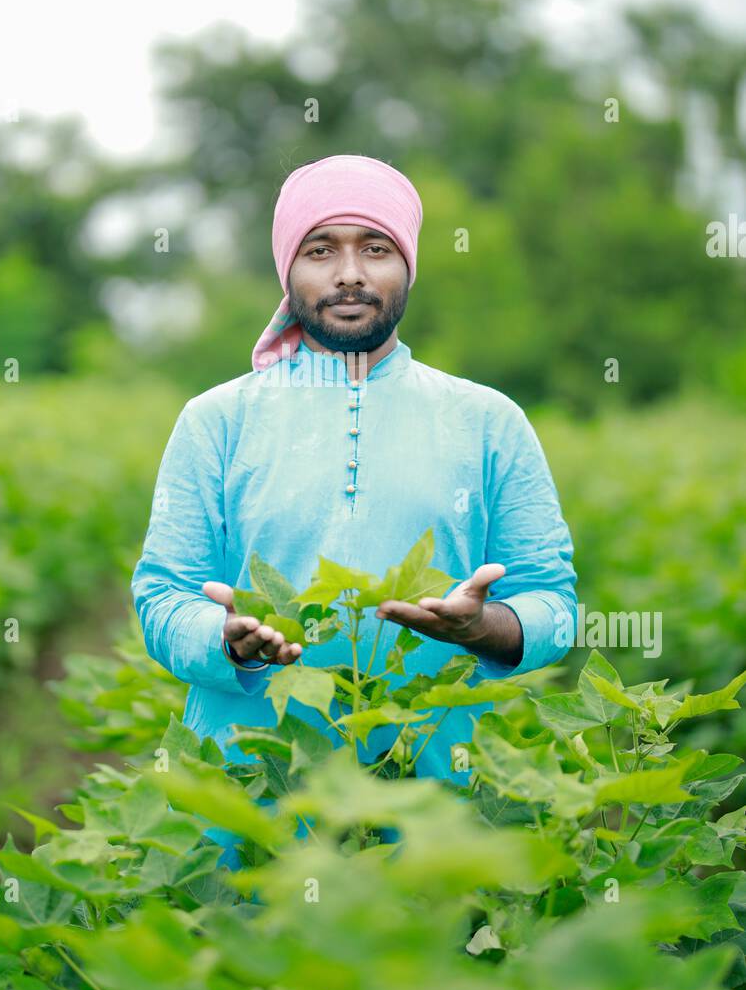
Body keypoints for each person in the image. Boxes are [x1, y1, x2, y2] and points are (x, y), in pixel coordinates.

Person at [131, 153, 578, 866]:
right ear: (288, 271)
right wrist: (225, 637)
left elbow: (552, 602)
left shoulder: (488, 421)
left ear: (407, 267)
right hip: (250, 779)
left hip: (435, 793)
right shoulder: (216, 421)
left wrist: (484, 627)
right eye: (320, 250)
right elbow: (161, 596)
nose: (349, 273)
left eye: (375, 248)